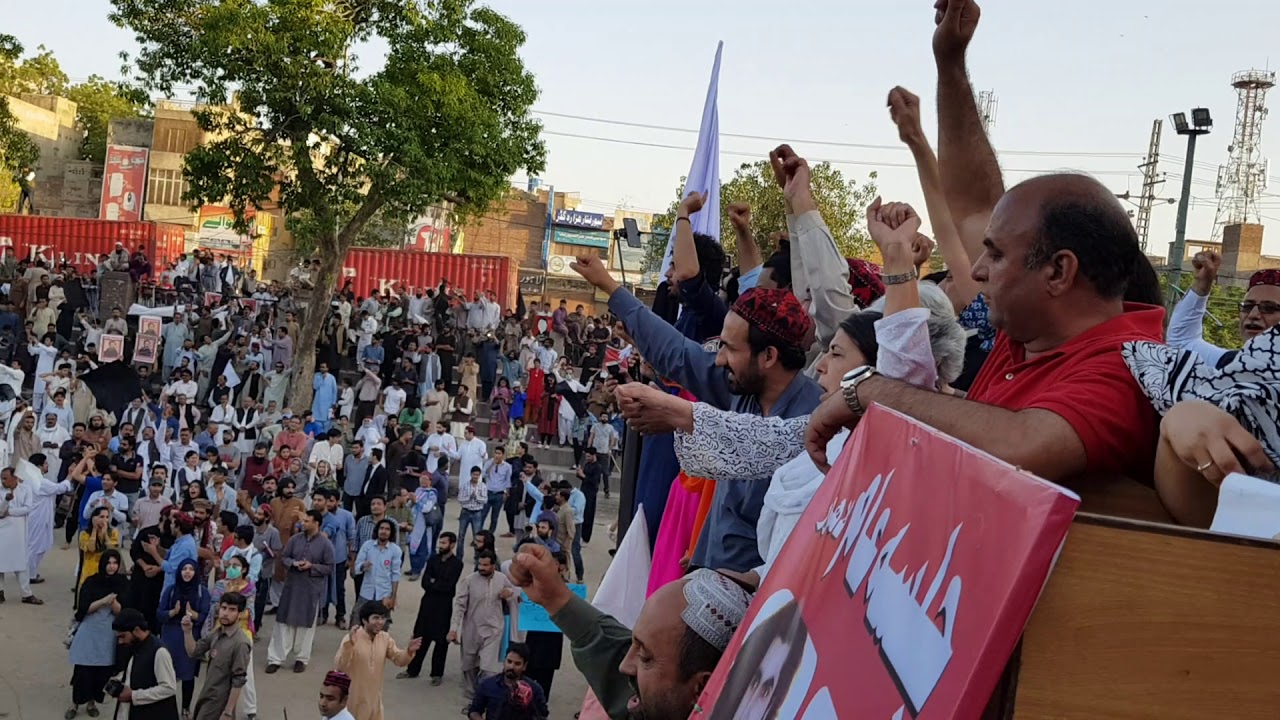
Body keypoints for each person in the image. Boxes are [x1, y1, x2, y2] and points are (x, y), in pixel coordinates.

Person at [509, 544, 752, 720]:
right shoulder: (664, 701)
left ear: (701, 688)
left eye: (645, 658)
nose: (624, 665)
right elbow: (608, 648)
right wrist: (554, 597)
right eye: (633, 644)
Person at [266, 509, 335, 674]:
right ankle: (276, 658)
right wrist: (294, 564)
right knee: (283, 622)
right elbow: (284, 558)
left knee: (306, 625)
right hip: (292, 586)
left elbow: (330, 567)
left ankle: (301, 659)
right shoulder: (294, 539)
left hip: (311, 589)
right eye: (302, 521)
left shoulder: (326, 544)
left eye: (306, 521)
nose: (302, 524)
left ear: (317, 523)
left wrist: (312, 567)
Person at [333, 601, 422, 720]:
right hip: (353, 702)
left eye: (382, 618)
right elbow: (340, 667)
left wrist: (409, 651)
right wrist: (349, 645)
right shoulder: (351, 638)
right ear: (364, 620)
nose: (380, 622)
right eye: (375, 618)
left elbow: (399, 660)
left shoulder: (385, 638)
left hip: (374, 702)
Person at [450, 549, 520, 698]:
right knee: (469, 666)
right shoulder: (469, 580)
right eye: (480, 564)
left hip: (494, 631)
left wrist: (508, 594)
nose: (481, 568)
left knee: (488, 669)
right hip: (471, 630)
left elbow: (514, 594)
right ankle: (471, 698)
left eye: (485, 565)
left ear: (493, 565)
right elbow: (459, 606)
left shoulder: (502, 579)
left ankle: (484, 699)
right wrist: (453, 629)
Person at [68, 548, 127, 719]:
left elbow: (123, 612)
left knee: (101, 672)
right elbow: (83, 609)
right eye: (108, 563)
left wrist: (114, 602)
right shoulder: (91, 582)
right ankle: (75, 704)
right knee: (82, 670)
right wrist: (103, 601)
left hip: (108, 634)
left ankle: (92, 702)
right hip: (90, 630)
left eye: (115, 563)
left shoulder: (123, 583)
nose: (111, 567)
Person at [399, 531, 464, 684]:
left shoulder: (457, 564)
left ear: (452, 544)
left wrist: (434, 583)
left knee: (441, 641)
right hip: (427, 604)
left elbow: (448, 586)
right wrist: (435, 583)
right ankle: (412, 670)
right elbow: (425, 582)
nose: (440, 546)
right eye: (439, 543)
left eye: (443, 543)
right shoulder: (433, 559)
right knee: (420, 636)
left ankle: (437, 674)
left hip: (443, 606)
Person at [182, 591, 251, 720]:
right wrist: (187, 632)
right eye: (224, 608)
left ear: (240, 614)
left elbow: (238, 680)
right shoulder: (216, 633)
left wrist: (228, 712)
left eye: (232, 610)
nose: (225, 613)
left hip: (220, 702)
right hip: (206, 694)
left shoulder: (240, 643)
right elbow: (193, 651)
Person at [158, 558, 211, 716]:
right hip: (170, 636)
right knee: (167, 674)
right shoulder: (171, 590)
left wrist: (193, 615)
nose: (187, 572)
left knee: (188, 676)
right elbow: (159, 614)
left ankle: (185, 708)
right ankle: (168, 708)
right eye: (184, 569)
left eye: (191, 569)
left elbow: (205, 617)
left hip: (190, 636)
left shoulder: (202, 592)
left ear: (196, 572)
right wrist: (173, 612)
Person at [112, 608, 181, 720]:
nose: (120, 641)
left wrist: (133, 696)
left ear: (136, 630)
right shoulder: (134, 646)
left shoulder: (159, 652)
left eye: (122, 636)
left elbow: (168, 688)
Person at [465, 644, 548, 720]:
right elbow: (474, 711)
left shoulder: (534, 689)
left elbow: (542, 715)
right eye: (509, 661)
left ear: (524, 666)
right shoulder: (487, 685)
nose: (511, 666)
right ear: (504, 661)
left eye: (517, 664)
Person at [351, 518, 404, 627]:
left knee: (381, 626)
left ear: (391, 533)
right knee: (356, 621)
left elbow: (395, 575)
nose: (383, 531)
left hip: (384, 594)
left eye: (387, 529)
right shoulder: (367, 545)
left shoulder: (395, 550)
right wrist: (363, 566)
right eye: (381, 528)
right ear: (377, 530)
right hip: (366, 591)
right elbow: (357, 566)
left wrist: (393, 597)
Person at [0, 465, 41, 604]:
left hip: (18, 531)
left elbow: (28, 508)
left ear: (15, 478)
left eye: (5, 478)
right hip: (1, 530)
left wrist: (10, 512)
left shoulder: (26, 489)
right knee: (0, 562)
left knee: (20, 563)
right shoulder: (0, 491)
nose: (3, 481)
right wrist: (6, 500)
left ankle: (26, 594)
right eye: (2, 478)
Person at [79, 505, 121, 590]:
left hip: (107, 571)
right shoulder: (84, 533)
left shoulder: (113, 532)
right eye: (101, 517)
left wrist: (105, 534)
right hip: (90, 572)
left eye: (107, 517)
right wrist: (94, 530)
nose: (105, 520)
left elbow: (112, 550)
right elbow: (91, 549)